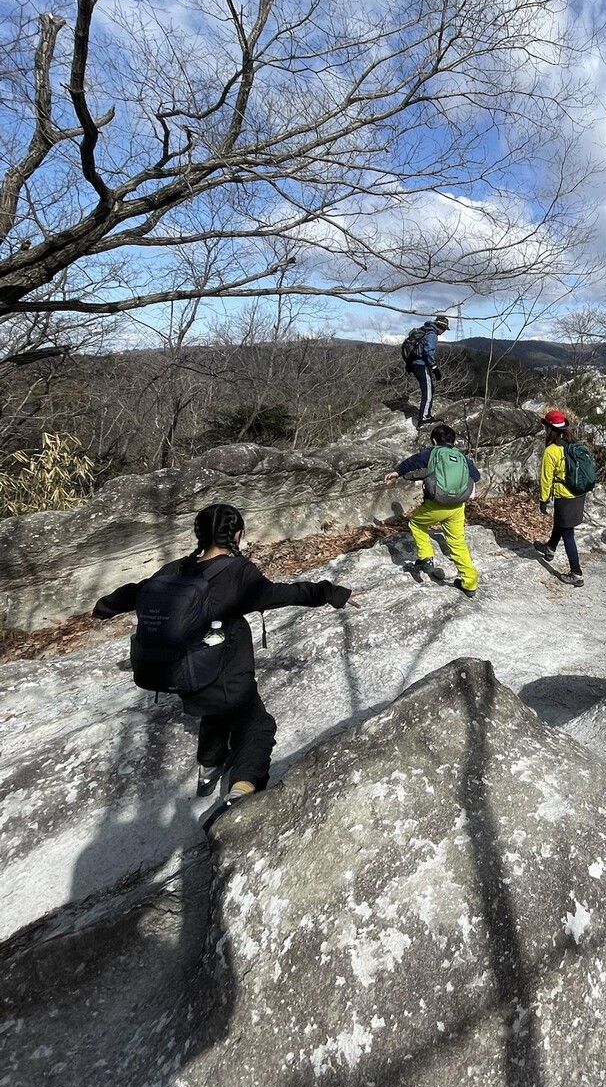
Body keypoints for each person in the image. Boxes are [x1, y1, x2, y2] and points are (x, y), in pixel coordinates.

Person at [92, 503, 359, 809]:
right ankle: (242, 795)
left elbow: (137, 591)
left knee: (214, 714)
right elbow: (281, 594)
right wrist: (330, 592)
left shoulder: (175, 569)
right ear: (236, 533)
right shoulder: (238, 573)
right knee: (256, 726)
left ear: (199, 534)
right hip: (227, 672)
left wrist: (105, 607)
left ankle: (208, 772)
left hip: (186, 673)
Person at [383, 423, 480, 597]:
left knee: (416, 524)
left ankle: (426, 558)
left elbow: (412, 462)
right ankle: (470, 582)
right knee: (457, 542)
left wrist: (397, 472)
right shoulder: (460, 456)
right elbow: (476, 476)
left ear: (434, 440)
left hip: (437, 503)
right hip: (458, 506)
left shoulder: (432, 452)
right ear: (453, 441)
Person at [534, 409, 585, 588]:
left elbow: (546, 478)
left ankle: (576, 573)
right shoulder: (573, 444)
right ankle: (550, 548)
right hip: (579, 492)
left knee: (567, 532)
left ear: (549, 429)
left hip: (565, 495)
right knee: (561, 523)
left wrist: (543, 499)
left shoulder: (552, 450)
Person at [405, 314, 450, 426]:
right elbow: (428, 351)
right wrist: (434, 367)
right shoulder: (432, 334)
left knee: (429, 389)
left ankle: (425, 415)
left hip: (414, 363)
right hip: (421, 364)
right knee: (428, 392)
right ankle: (424, 418)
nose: (443, 331)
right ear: (441, 327)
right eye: (444, 329)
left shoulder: (425, 330)